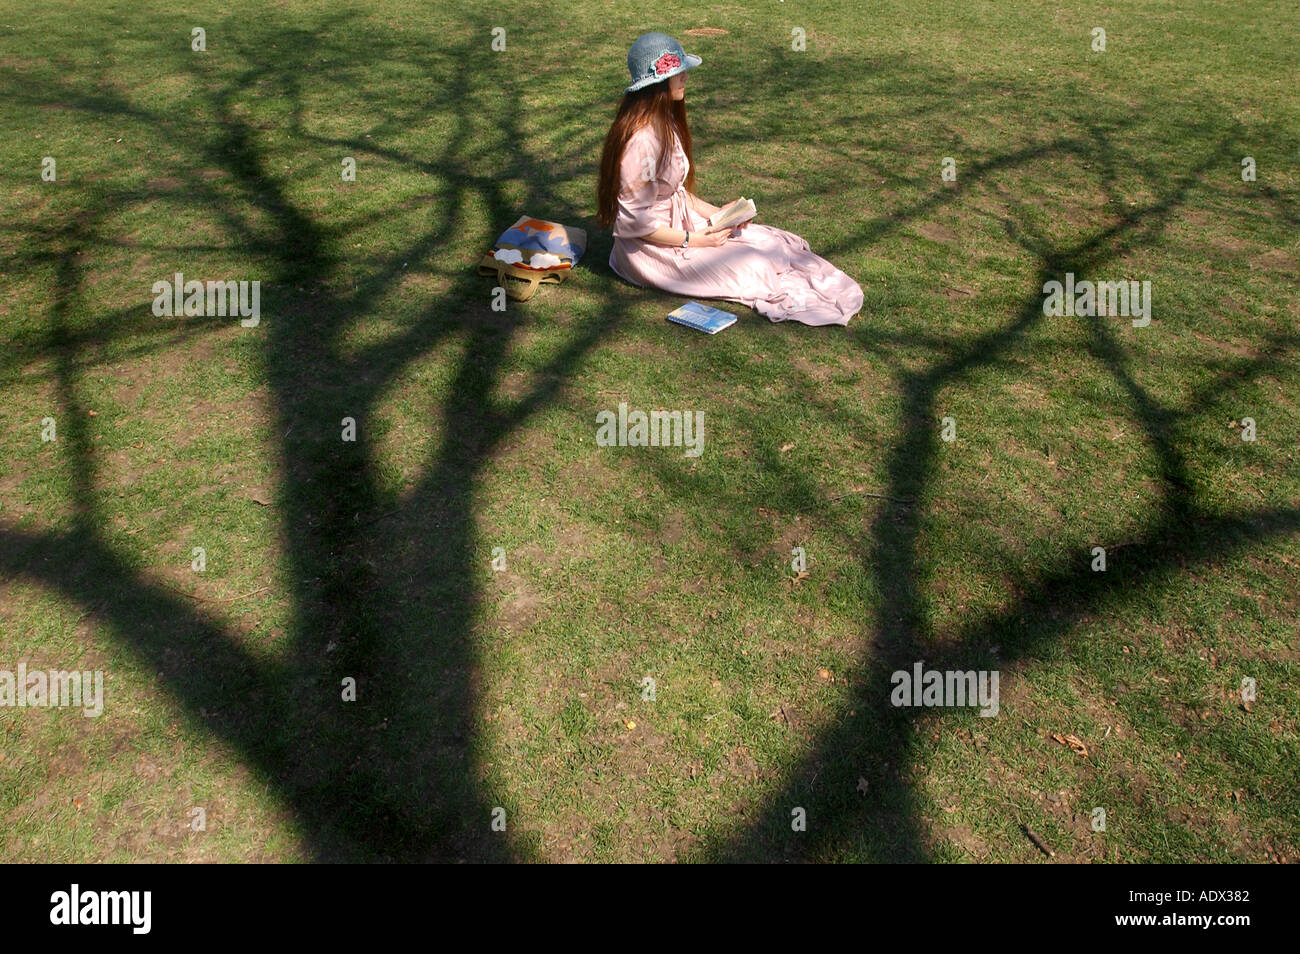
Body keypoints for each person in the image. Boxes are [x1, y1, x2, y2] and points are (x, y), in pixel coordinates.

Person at [595, 32, 863, 327]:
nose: (685, 77)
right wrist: (695, 240)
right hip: (650, 251)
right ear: (658, 82)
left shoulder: (665, 121)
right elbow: (635, 223)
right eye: (677, 72)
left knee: (769, 243)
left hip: (677, 229)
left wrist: (720, 214)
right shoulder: (642, 141)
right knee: (755, 266)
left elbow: (675, 193)